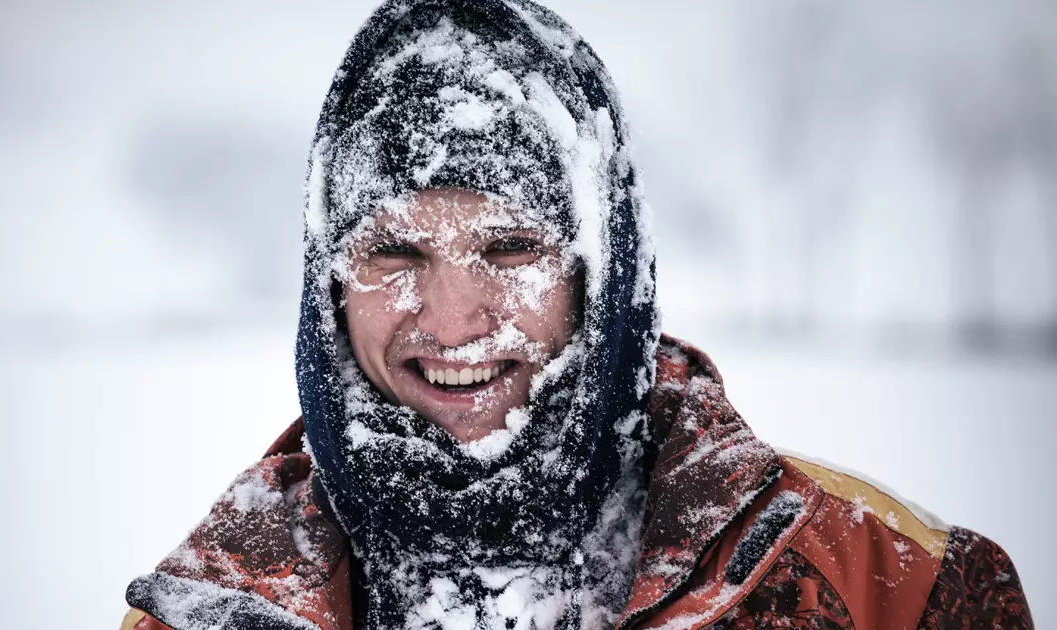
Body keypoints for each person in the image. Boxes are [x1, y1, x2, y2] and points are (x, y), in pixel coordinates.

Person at [121, 1, 1034, 628]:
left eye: (512, 250)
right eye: (394, 254)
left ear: (605, 276)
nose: (450, 319)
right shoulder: (209, 606)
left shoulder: (884, 590)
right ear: (328, 289)